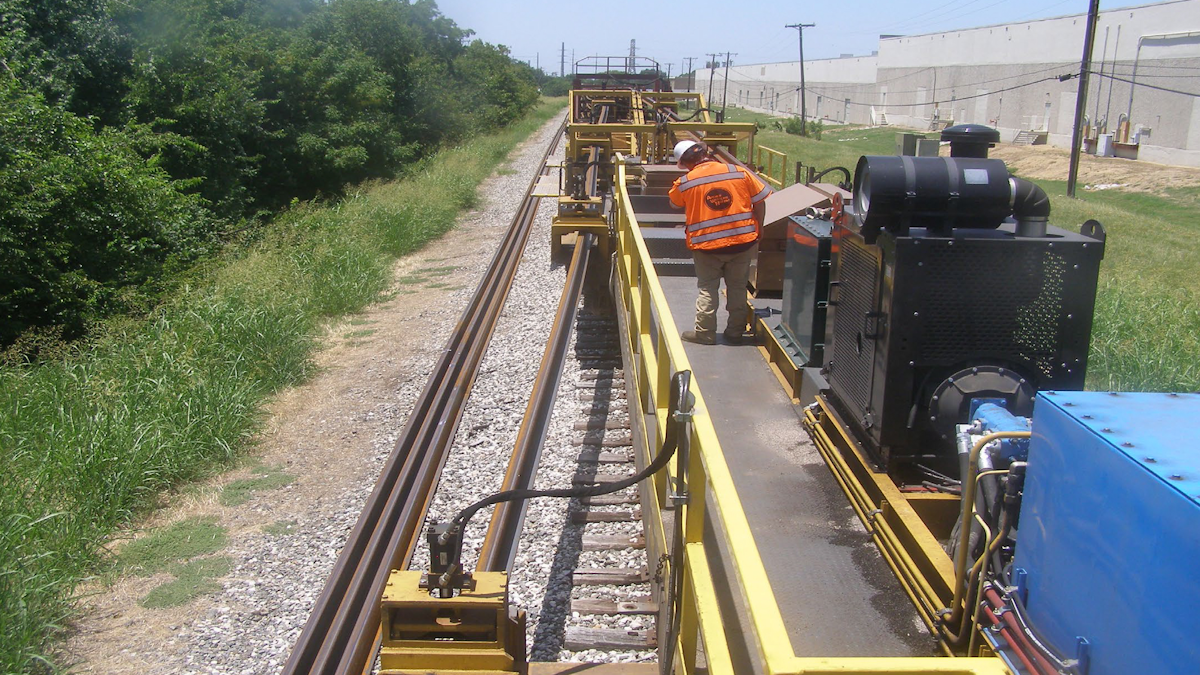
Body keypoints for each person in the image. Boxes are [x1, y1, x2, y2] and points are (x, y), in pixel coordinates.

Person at [667, 140, 769, 345]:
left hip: (706, 247)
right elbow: (760, 200)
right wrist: (761, 227)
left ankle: (705, 333)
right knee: (738, 287)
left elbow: (674, 203)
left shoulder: (685, 182)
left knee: (707, 288)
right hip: (741, 242)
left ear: (685, 163)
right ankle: (735, 332)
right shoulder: (739, 172)